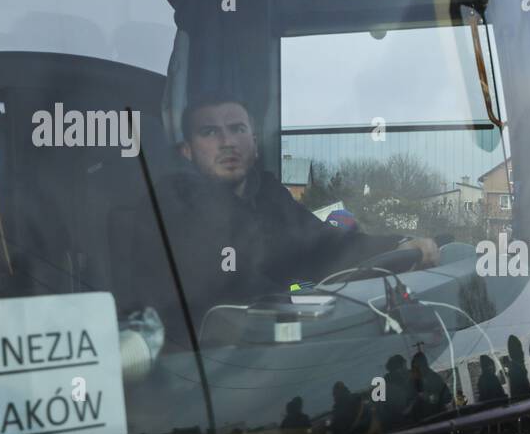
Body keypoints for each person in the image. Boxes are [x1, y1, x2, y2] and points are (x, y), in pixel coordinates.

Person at [126, 95, 435, 340]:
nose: (227, 141)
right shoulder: (171, 205)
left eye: (237, 128)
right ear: (187, 152)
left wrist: (400, 245)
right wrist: (300, 308)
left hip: (275, 353)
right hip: (205, 367)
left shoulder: (268, 194)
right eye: (209, 132)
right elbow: (232, 290)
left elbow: (327, 245)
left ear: (255, 144)